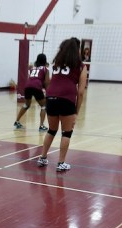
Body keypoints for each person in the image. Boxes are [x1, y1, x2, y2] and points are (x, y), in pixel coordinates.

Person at [37, 37, 88, 172]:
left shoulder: (56, 63)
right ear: (78, 50)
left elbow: (52, 81)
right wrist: (76, 112)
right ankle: (61, 163)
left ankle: (42, 158)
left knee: (52, 130)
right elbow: (81, 92)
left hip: (51, 97)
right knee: (67, 133)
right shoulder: (81, 66)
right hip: (66, 99)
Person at [13, 53, 49, 131]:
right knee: (44, 106)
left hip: (28, 86)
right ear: (45, 60)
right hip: (36, 87)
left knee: (26, 104)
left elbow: (32, 79)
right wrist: (48, 93)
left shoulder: (33, 68)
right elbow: (46, 83)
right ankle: (41, 126)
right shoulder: (45, 69)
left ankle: (17, 121)